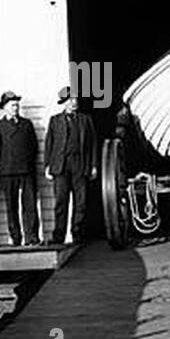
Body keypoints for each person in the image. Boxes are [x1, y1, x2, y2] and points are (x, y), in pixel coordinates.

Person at [44, 85, 97, 244]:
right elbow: (49, 144)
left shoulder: (85, 120)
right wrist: (47, 165)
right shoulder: (55, 121)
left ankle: (77, 234)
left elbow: (93, 144)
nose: (74, 103)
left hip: (79, 164)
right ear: (64, 103)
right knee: (61, 202)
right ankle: (58, 236)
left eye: (75, 99)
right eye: (70, 100)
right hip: (61, 165)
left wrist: (93, 165)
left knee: (81, 202)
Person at [0, 90, 40, 246]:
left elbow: (33, 147)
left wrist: (30, 165)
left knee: (30, 205)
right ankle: (16, 238)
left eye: (17, 105)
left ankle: (32, 237)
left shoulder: (26, 124)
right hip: (8, 171)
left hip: (26, 171)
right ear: (5, 107)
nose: (15, 108)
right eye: (12, 105)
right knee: (11, 207)